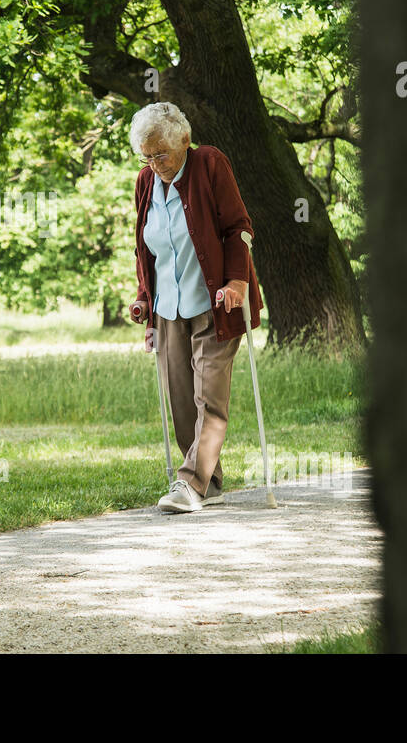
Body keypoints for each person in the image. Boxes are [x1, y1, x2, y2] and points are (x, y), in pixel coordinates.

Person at [127, 102, 263, 513]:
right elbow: (145, 249)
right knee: (181, 401)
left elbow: (238, 228)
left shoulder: (208, 164)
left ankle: (190, 483)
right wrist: (143, 301)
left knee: (210, 398)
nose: (154, 164)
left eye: (161, 154)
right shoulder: (145, 182)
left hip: (215, 303)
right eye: (146, 157)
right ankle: (210, 479)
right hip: (168, 307)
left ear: (184, 141)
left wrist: (237, 281)